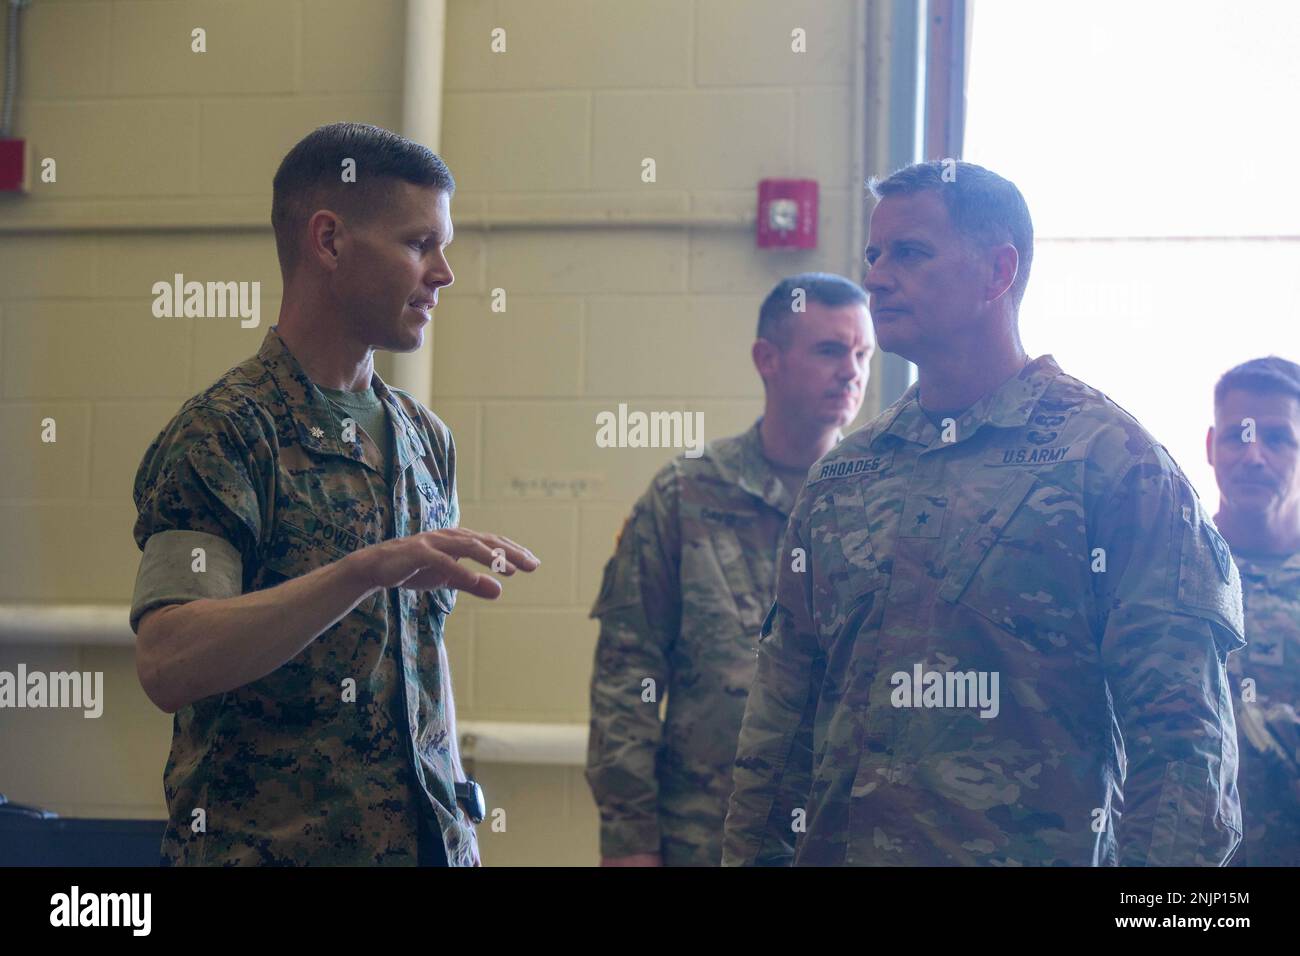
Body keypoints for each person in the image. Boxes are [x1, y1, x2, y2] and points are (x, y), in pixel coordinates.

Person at [723, 160, 1245, 866]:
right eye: (875, 254)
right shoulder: (846, 476)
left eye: (909, 252)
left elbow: (1185, 753)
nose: (877, 276)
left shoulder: (1113, 466)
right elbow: (778, 732)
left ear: (998, 272)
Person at [129, 122, 538, 866]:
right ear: (329, 242)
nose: (443, 273)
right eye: (420, 244)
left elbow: (417, 669)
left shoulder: (422, 437)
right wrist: (363, 570)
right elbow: (168, 659)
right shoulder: (225, 433)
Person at [587, 273, 873, 866]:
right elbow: (627, 673)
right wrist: (629, 840)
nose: (852, 371)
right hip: (704, 837)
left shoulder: (878, 500)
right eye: (829, 350)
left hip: (844, 838)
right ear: (767, 359)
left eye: (863, 353)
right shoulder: (687, 492)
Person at [1206, 356, 1300, 866]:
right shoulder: (1165, 569)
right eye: (1237, 436)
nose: (1253, 455)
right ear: (1210, 446)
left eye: (1277, 438)